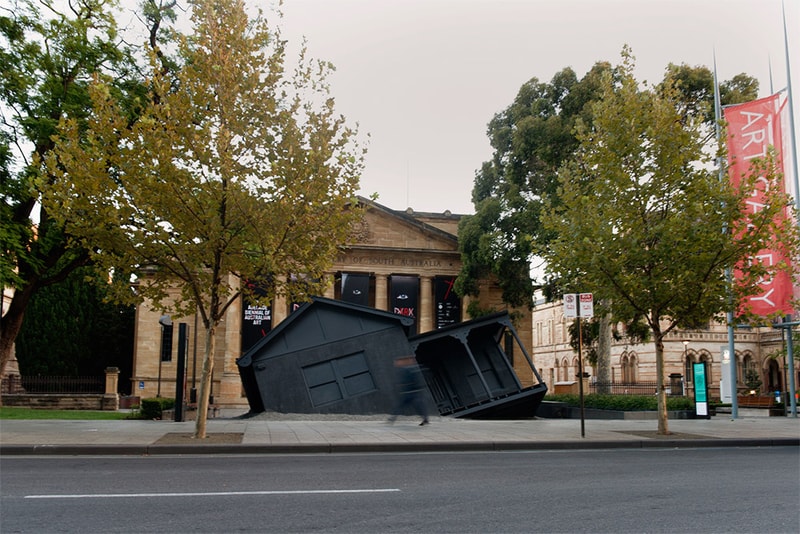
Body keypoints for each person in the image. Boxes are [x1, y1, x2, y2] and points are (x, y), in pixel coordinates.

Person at [387, 355, 429, 426]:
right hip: (410, 392)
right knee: (403, 406)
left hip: (412, 392)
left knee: (415, 406)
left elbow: (413, 380)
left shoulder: (409, 369)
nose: (396, 364)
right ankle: (392, 418)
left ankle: (392, 418)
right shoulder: (405, 369)